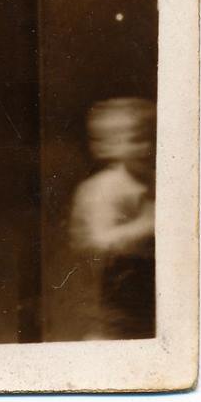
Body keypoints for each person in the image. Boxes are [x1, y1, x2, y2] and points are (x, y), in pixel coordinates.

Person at [71, 96, 155, 339]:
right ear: (106, 146)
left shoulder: (153, 180)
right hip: (119, 293)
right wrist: (147, 224)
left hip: (150, 292)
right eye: (135, 140)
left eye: (150, 138)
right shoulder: (106, 187)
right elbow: (99, 240)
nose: (144, 147)